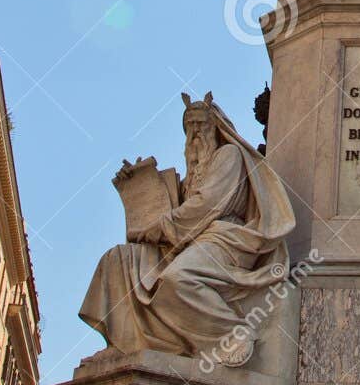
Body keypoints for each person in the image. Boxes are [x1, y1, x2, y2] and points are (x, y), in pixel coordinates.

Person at [79, 91, 294, 365]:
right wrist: (138, 184)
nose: (195, 132)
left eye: (201, 124)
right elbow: (171, 207)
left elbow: (208, 205)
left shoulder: (229, 155)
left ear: (216, 127)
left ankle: (232, 334)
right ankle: (124, 343)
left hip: (226, 238)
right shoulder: (192, 174)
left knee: (178, 279)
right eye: (189, 126)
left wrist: (161, 227)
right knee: (117, 258)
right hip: (186, 241)